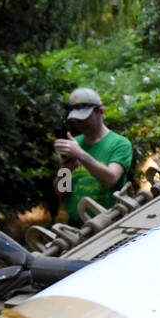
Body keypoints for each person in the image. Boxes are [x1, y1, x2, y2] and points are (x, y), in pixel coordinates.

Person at [54, 87, 134, 222]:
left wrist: (81, 155)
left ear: (100, 112)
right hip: (76, 226)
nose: (81, 123)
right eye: (77, 120)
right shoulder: (74, 144)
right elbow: (61, 192)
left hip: (111, 220)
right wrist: (66, 169)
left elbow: (111, 179)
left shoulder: (120, 144)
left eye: (85, 118)